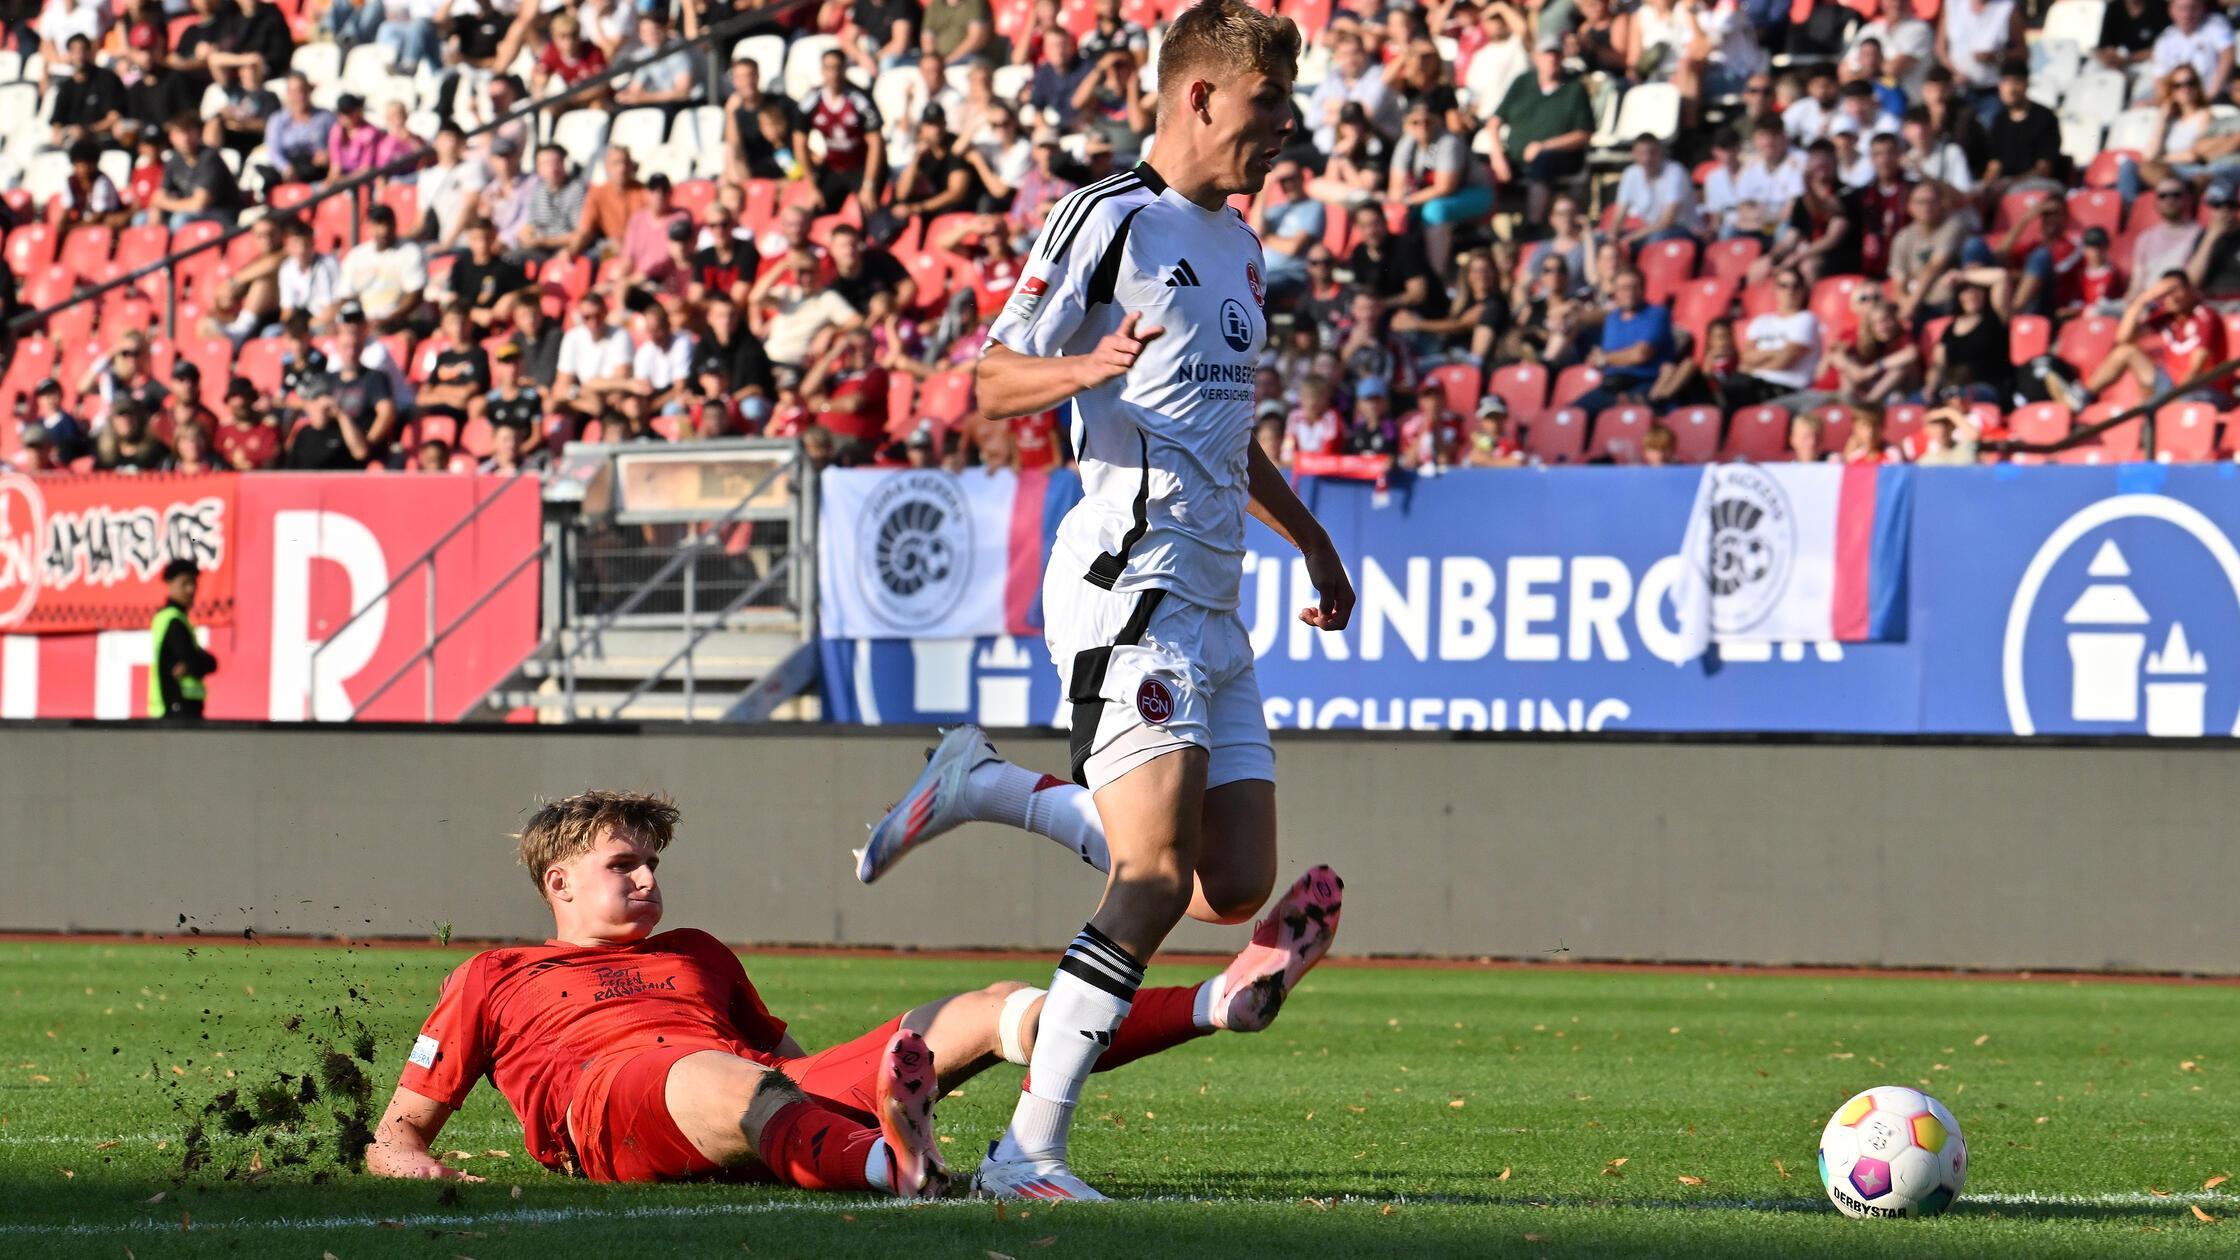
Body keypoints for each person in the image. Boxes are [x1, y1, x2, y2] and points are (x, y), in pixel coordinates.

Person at [884, 0, 1353, 1201]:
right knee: (1147, 878)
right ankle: (1023, 1154)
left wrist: (1308, 540)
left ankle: (988, 785)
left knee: (1226, 884)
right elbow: (989, 381)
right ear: (1198, 95)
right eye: (1266, 107)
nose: (1283, 131)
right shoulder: (1105, 220)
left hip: (1216, 598)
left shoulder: (1240, 248)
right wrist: (1080, 369)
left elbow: (1222, 428)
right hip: (1127, 584)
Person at [365, 789, 1341, 1190]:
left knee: (982, 1007)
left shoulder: (697, 950)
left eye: (651, 862)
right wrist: (419, 1170)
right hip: (611, 1108)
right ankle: (893, 1169)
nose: (645, 879)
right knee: (711, 1074)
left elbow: (785, 1066)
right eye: (623, 863)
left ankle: (1220, 999)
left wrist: (867, 1077)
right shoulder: (493, 974)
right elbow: (398, 1134)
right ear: (559, 882)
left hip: (750, 1094)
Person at [2077, 269, 2232, 407]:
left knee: (2155, 407)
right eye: (2165, 293)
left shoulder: (2205, 316)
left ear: (2189, 290)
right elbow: (2122, 338)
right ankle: (2082, 396)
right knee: (2125, 352)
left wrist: (2167, 399)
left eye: (2175, 290)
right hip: (2172, 386)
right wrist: (2142, 300)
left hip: (2205, 388)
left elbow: (2197, 366)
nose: (2172, 297)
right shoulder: (2167, 318)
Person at [1488, 32, 1596, 227]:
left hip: (1560, 157)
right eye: (1546, 54)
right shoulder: (1522, 83)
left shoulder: (1574, 88)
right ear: (1535, 57)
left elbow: (1584, 134)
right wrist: (1497, 155)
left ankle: (1533, 225)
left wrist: (1545, 146)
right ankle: (1485, 228)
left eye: (1555, 54)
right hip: (1515, 157)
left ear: (1562, 56)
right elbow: (1494, 121)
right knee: (1482, 167)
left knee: (1542, 162)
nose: (1551, 59)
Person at [1729, 269, 1822, 408]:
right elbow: (1745, 357)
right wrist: (1778, 351)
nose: (1789, 291)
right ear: (1775, 290)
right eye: (1783, 285)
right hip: (1756, 383)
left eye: (1795, 286)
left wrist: (1755, 364)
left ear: (1803, 291)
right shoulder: (1761, 321)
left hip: (1786, 387)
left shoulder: (1806, 319)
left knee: (1735, 387)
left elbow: (1785, 361)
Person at [149, 559, 218, 719]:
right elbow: (196, 661)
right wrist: (196, 662)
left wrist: (195, 662)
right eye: (185, 583)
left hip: (175, 707)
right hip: (178, 708)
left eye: (193, 583)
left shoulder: (175, 619)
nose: (191, 589)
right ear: (170, 583)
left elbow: (204, 661)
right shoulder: (174, 621)